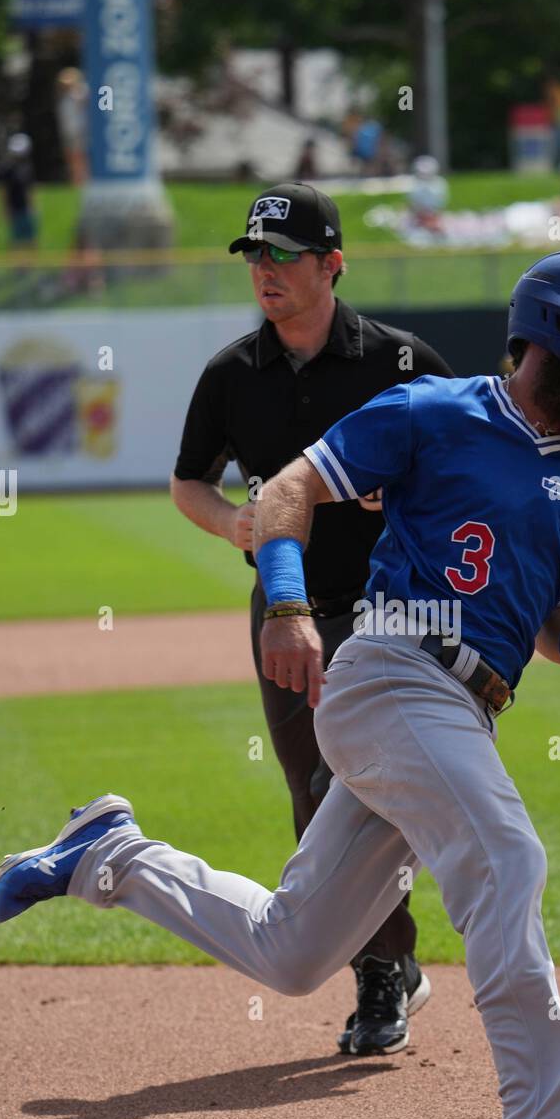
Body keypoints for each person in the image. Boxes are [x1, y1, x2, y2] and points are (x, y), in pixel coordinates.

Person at [0, 247, 560, 1119]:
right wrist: (286, 605)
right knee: (505, 857)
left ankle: (111, 854)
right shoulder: (435, 409)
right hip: (393, 673)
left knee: (294, 949)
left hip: (463, 710)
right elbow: (283, 492)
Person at [170, 182, 453, 1055]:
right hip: (287, 615)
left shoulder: (403, 363)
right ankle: (384, 968)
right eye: (255, 255)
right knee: (317, 794)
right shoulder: (230, 374)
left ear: (332, 263)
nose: (266, 270)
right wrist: (232, 524)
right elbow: (191, 482)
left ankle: (383, 966)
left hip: (396, 613)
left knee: (390, 793)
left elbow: (466, 468)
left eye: (283, 255)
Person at [0, 134, 38, 248]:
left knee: (31, 238)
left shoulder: (28, 168)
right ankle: (17, 264)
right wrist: (5, 208)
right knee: (16, 239)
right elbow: (3, 190)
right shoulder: (7, 168)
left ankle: (30, 264)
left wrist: (33, 206)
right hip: (15, 208)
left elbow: (30, 190)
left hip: (25, 208)